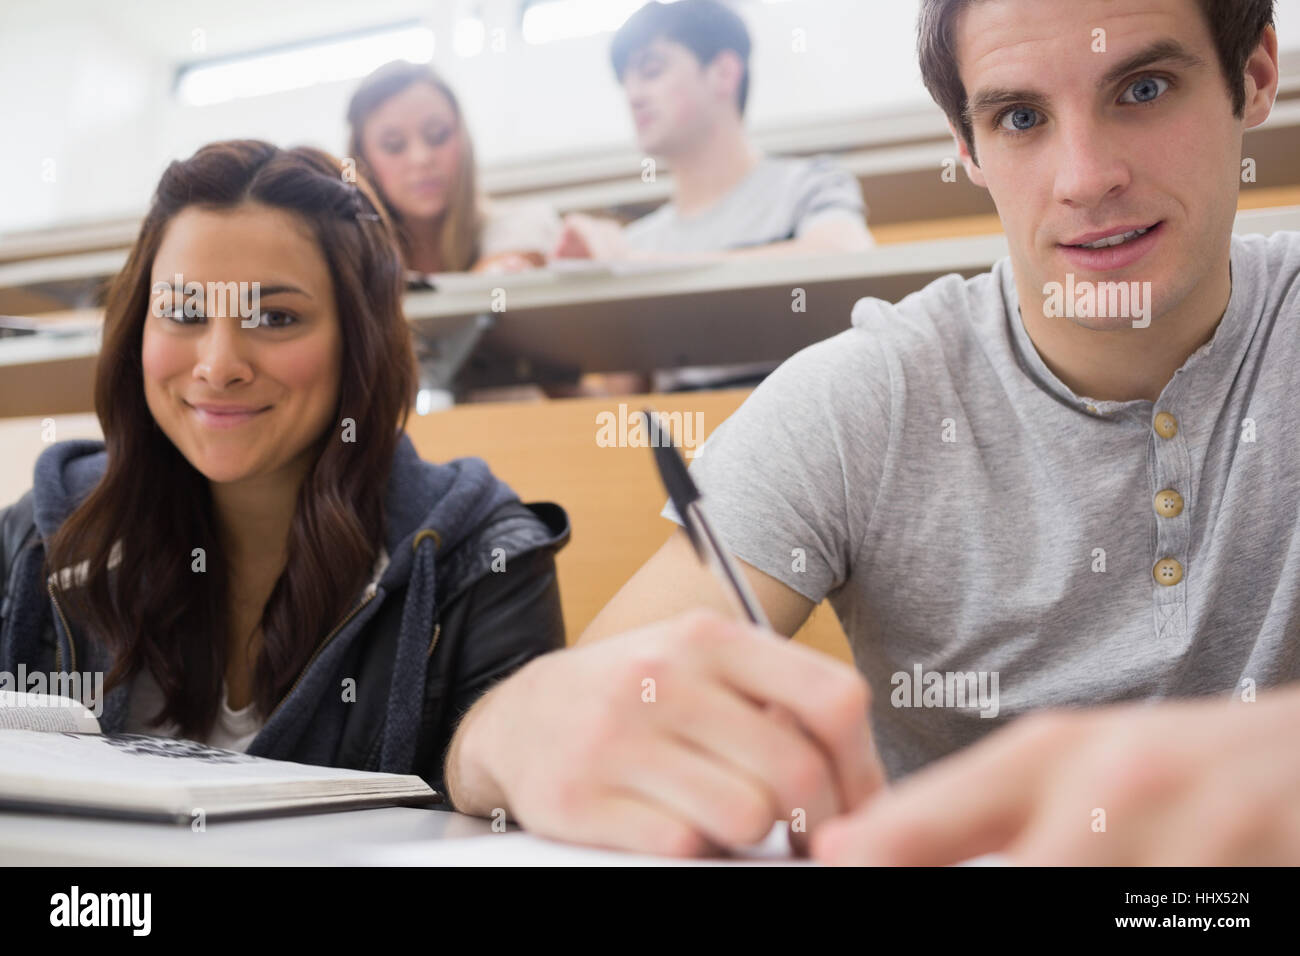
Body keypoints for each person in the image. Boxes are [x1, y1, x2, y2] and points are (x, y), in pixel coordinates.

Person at [442, 0, 1300, 864]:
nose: (1085, 175)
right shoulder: (869, 394)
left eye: (1143, 88)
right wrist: (507, 734)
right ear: (966, 146)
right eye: (1021, 117)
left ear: (1255, 75)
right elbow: (573, 715)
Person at [0, 140, 569, 796]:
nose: (219, 364)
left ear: (359, 340)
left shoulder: (482, 565)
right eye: (184, 313)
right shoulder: (44, 535)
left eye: (274, 316)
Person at [552, 0, 874, 264]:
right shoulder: (637, 242)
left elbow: (847, 255)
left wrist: (637, 266)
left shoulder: (807, 186)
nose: (633, 95)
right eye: (625, 81)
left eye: (651, 71)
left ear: (723, 73)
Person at [346, 59, 562, 280]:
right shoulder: (347, 256)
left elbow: (495, 288)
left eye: (438, 135)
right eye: (394, 145)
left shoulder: (522, 225)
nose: (421, 158)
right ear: (363, 160)